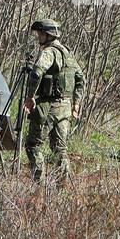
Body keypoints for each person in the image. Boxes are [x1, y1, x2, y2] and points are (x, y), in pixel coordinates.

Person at [23, 19, 84, 183]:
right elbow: (80, 79)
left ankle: (38, 183)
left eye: (39, 34)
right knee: (60, 149)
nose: (38, 37)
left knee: (33, 145)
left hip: (48, 106)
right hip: (65, 107)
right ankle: (62, 186)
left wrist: (30, 97)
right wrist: (76, 104)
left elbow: (36, 73)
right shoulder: (67, 53)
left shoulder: (49, 52)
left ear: (47, 35)